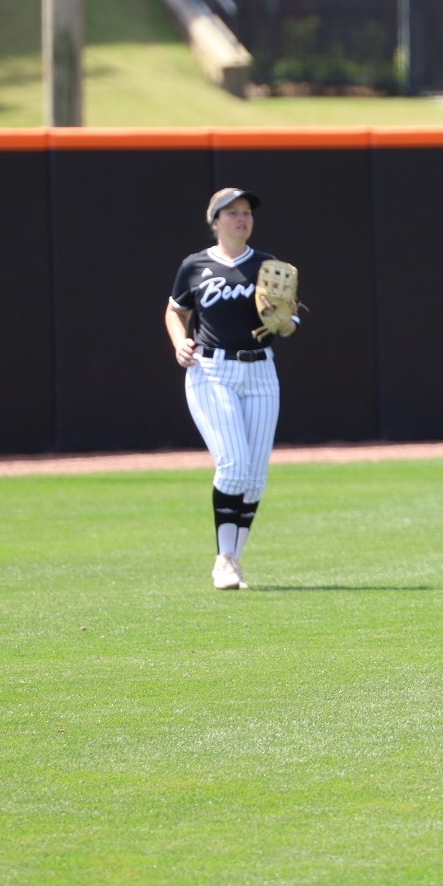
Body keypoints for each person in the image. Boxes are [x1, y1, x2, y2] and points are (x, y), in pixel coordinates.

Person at [164, 187, 298, 590]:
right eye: (233, 213)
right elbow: (175, 310)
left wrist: (283, 322)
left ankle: (233, 562)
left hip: (260, 373)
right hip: (212, 371)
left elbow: (290, 325)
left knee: (254, 477)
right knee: (234, 464)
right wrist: (178, 342)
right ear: (215, 221)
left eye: (247, 213)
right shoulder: (195, 266)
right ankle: (224, 558)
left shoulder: (267, 265)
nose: (242, 219)